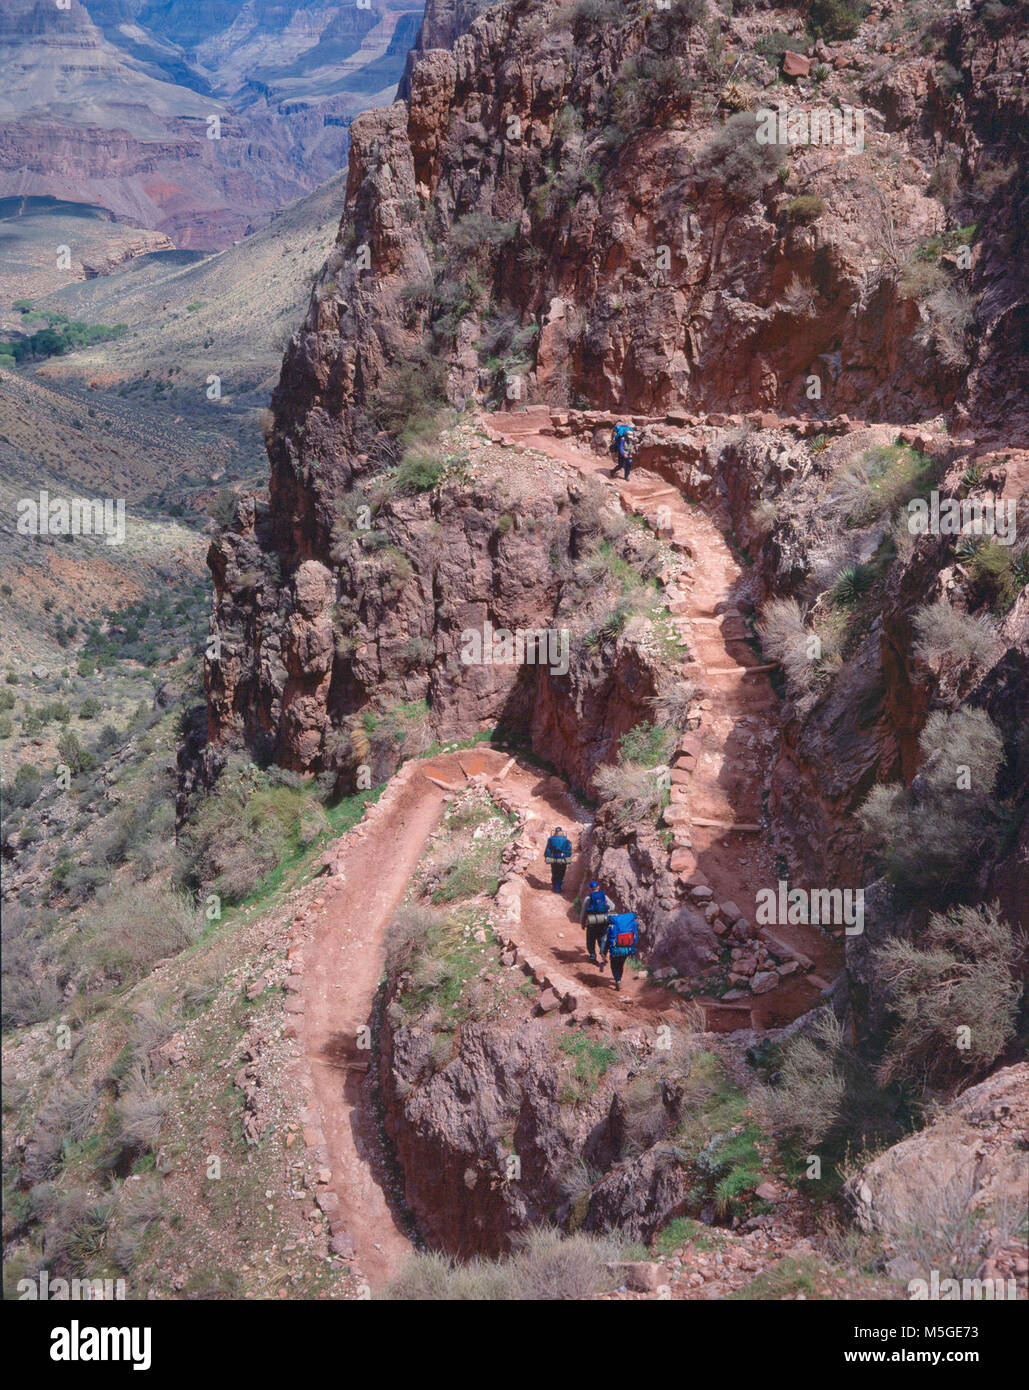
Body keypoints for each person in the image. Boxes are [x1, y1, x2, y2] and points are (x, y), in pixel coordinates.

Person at [602, 911, 639, 991]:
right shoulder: (630, 926)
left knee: (614, 966)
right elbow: (635, 939)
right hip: (627, 950)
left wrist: (604, 953)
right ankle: (619, 979)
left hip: (616, 951)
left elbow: (607, 942)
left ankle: (617, 980)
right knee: (620, 965)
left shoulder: (612, 927)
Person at [580, 880, 611, 966]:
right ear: (598, 887)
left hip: (592, 923)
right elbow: (612, 906)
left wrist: (582, 923)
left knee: (590, 940)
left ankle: (593, 956)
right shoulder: (604, 896)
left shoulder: (588, 899)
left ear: (590, 889)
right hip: (603, 922)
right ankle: (603, 953)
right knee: (602, 939)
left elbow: (583, 913)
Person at [544, 825, 572, 893]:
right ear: (562, 832)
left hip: (553, 857)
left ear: (555, 832)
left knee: (554, 871)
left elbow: (548, 849)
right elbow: (568, 850)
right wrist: (567, 857)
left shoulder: (551, 839)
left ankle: (554, 885)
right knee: (561, 873)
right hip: (562, 858)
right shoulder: (566, 840)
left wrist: (547, 856)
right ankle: (557, 888)